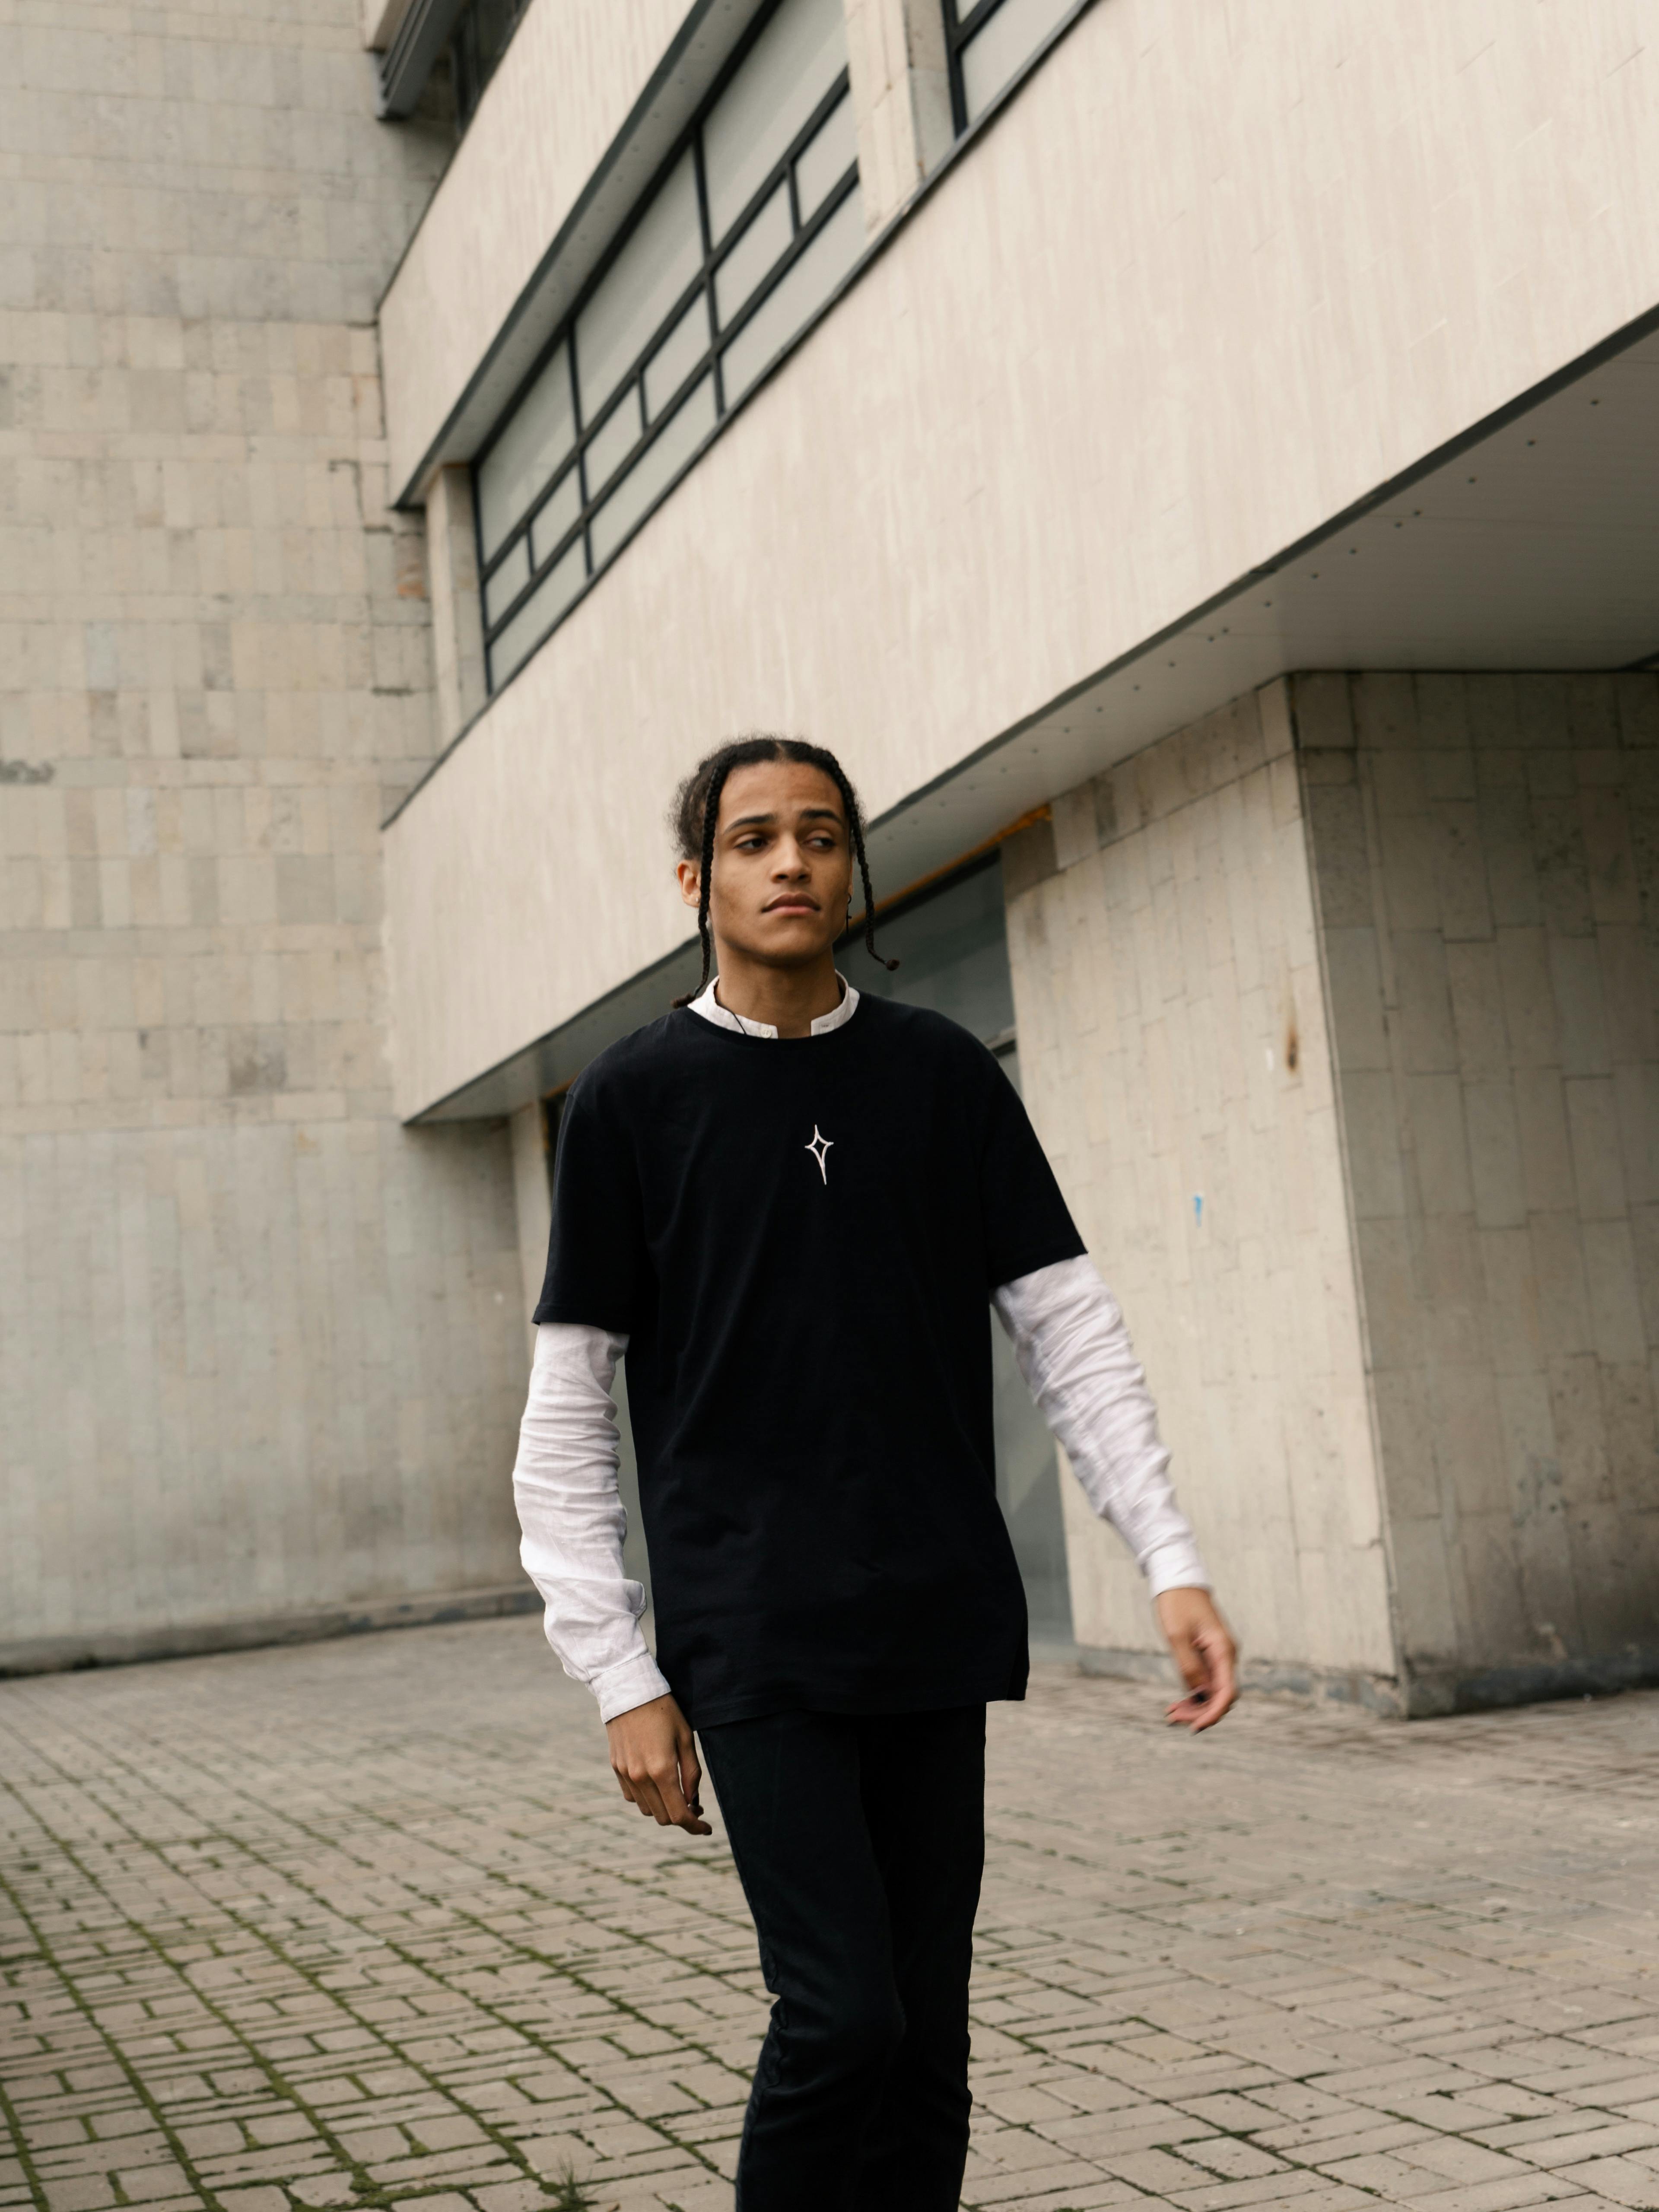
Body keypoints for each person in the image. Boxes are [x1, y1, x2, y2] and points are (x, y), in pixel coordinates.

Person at [512, 734, 1236, 2212]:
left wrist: (1165, 1554)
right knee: (842, 2014)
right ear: (696, 877)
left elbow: (1067, 1328)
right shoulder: (632, 1102)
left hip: (926, 1614)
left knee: (926, 2036)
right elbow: (570, 1399)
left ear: (855, 867)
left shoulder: (940, 1073)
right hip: (753, 1631)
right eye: (757, 839)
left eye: (824, 836)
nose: (794, 863)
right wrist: (616, 1669)